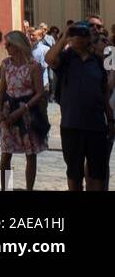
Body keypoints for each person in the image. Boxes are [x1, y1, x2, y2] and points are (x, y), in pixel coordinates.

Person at [46, 21, 114, 191]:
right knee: (74, 175)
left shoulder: (98, 61)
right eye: (76, 33)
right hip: (72, 126)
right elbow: (49, 59)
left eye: (83, 34)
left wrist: (110, 120)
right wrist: (64, 39)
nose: (79, 37)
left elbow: (105, 92)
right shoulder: (66, 58)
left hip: (97, 126)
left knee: (97, 173)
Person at [0, 29, 47, 191]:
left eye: (9, 44)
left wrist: (23, 109)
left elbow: (40, 93)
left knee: (30, 154)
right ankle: (4, 188)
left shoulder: (34, 66)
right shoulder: (6, 64)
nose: (6, 47)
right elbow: (2, 90)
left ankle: (29, 188)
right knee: (5, 154)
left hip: (27, 112)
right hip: (8, 111)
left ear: (18, 45)